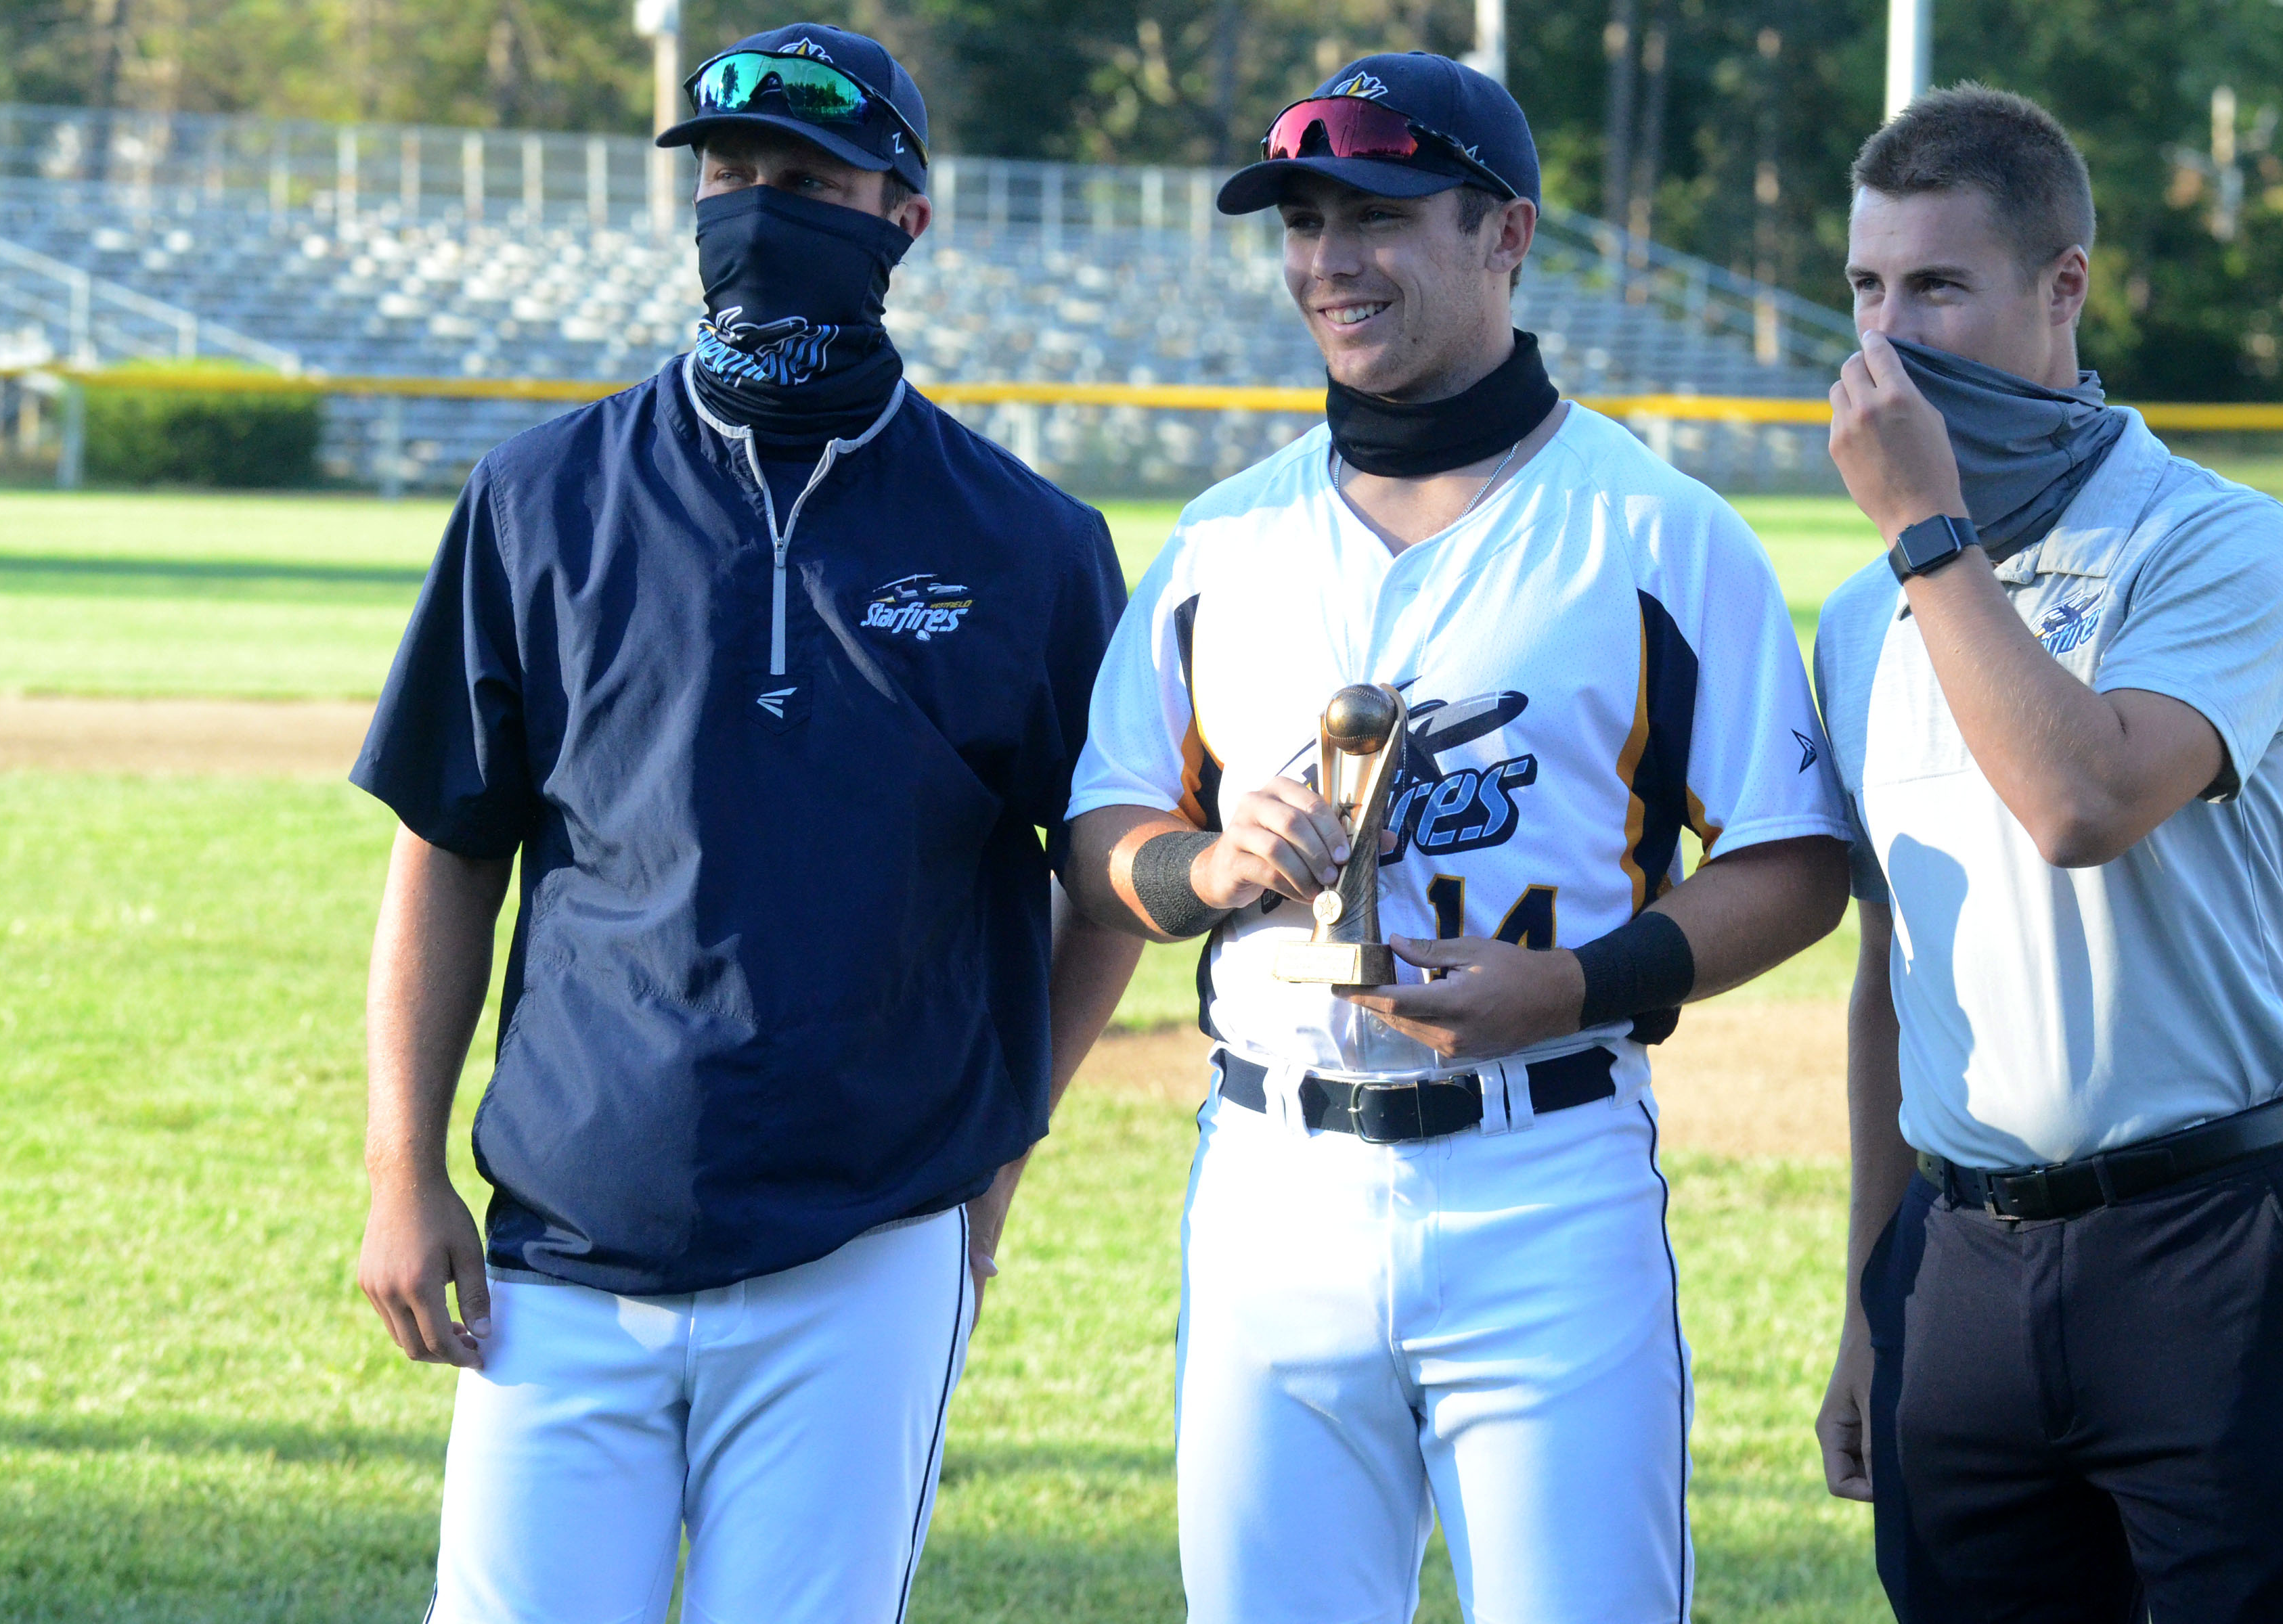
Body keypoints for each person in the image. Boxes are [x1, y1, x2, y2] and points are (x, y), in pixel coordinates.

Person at [349, 23, 1140, 1622]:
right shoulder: (540, 495)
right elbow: (447, 850)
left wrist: (999, 1156)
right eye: (732, 174)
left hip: (868, 1248)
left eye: (811, 182)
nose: (761, 210)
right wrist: (399, 1171)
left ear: (906, 214)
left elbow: (1100, 882)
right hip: (564, 1242)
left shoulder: (1033, 543)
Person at [1063, 51, 1854, 1623]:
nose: (1328, 260)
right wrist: (1202, 867)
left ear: (1507, 233)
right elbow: (1100, 829)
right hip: (1272, 1182)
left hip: (1545, 1175)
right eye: (1303, 222)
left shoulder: (1655, 529)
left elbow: (1795, 859)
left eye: (1378, 216)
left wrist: (1579, 987)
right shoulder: (1225, 537)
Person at [1811, 85, 2283, 1621]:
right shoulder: (1861, 614)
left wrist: (1929, 531)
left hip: (2210, 1246)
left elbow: (2082, 803)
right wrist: (1871, 1300)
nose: (1888, 333)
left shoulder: (2217, 539)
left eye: (1937, 285)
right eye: (1865, 286)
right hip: (1959, 1261)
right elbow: (1890, 977)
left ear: (2064, 286)